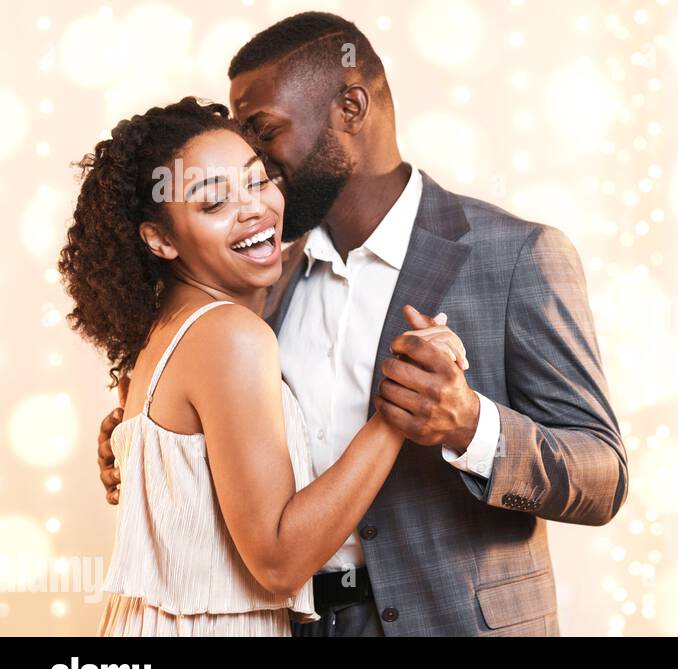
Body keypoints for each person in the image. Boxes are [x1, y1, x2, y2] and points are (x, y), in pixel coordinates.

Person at [95, 12, 628, 636]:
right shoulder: (261, 266)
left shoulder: (515, 256)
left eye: (264, 133)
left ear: (350, 107)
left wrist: (471, 426)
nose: (256, 163)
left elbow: (604, 474)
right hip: (298, 619)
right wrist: (156, 440)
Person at [60, 97, 468, 636]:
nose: (254, 209)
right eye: (213, 203)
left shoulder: (165, 330)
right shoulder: (230, 334)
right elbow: (278, 563)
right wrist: (400, 409)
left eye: (258, 181)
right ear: (159, 239)